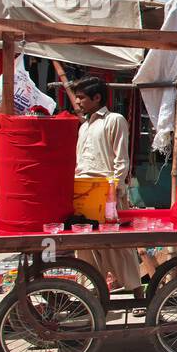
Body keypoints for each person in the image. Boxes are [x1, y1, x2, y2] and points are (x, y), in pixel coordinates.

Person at [70, 76, 141, 292]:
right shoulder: (84, 127)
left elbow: (121, 160)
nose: (78, 102)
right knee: (86, 245)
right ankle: (93, 292)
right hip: (84, 191)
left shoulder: (114, 120)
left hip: (108, 192)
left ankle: (136, 289)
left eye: (81, 97)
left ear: (97, 97)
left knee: (117, 245)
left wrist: (114, 190)